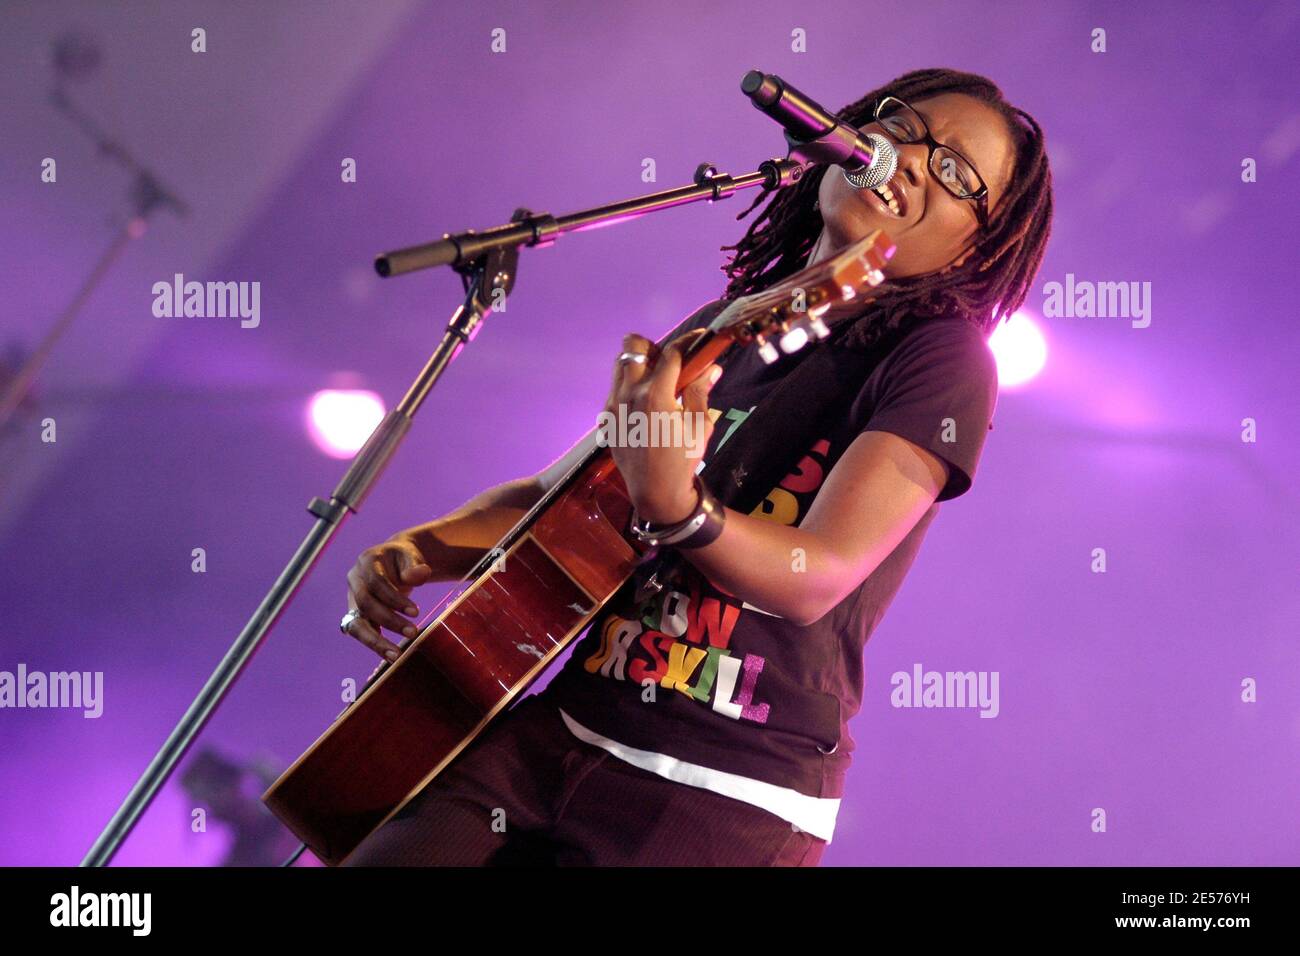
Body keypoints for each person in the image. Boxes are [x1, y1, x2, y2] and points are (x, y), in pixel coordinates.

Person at [338, 68, 1053, 866]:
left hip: (721, 792)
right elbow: (560, 499)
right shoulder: (726, 325)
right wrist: (420, 550)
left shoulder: (942, 358)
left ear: (974, 242)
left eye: (957, 173)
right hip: (566, 724)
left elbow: (816, 573)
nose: (914, 160)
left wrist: (681, 508)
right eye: (905, 128)